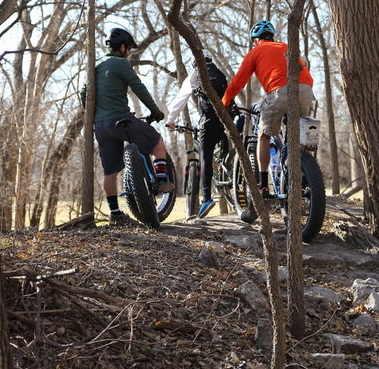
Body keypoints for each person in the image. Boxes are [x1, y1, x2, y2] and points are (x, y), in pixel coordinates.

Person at [90, 28, 175, 226]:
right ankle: (162, 179)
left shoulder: (94, 65)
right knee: (157, 143)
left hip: (100, 126)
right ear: (121, 47)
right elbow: (138, 87)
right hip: (121, 119)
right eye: (128, 48)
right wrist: (156, 111)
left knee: (109, 173)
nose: (128, 52)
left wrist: (95, 117)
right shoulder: (120, 63)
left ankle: (115, 213)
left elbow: (85, 92)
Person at [221, 20, 314, 197]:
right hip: (306, 89)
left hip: (280, 91)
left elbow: (238, 82)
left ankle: (263, 185)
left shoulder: (255, 52)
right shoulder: (287, 47)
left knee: (263, 134)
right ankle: (308, 174)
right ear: (272, 36)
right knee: (304, 132)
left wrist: (225, 101)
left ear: (255, 40)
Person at [166, 53, 229, 219]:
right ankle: (233, 179)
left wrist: (170, 121)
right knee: (224, 152)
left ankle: (207, 198)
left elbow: (180, 100)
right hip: (225, 120)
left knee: (205, 156)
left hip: (207, 122)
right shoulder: (220, 73)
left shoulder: (193, 76)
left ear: (195, 64)